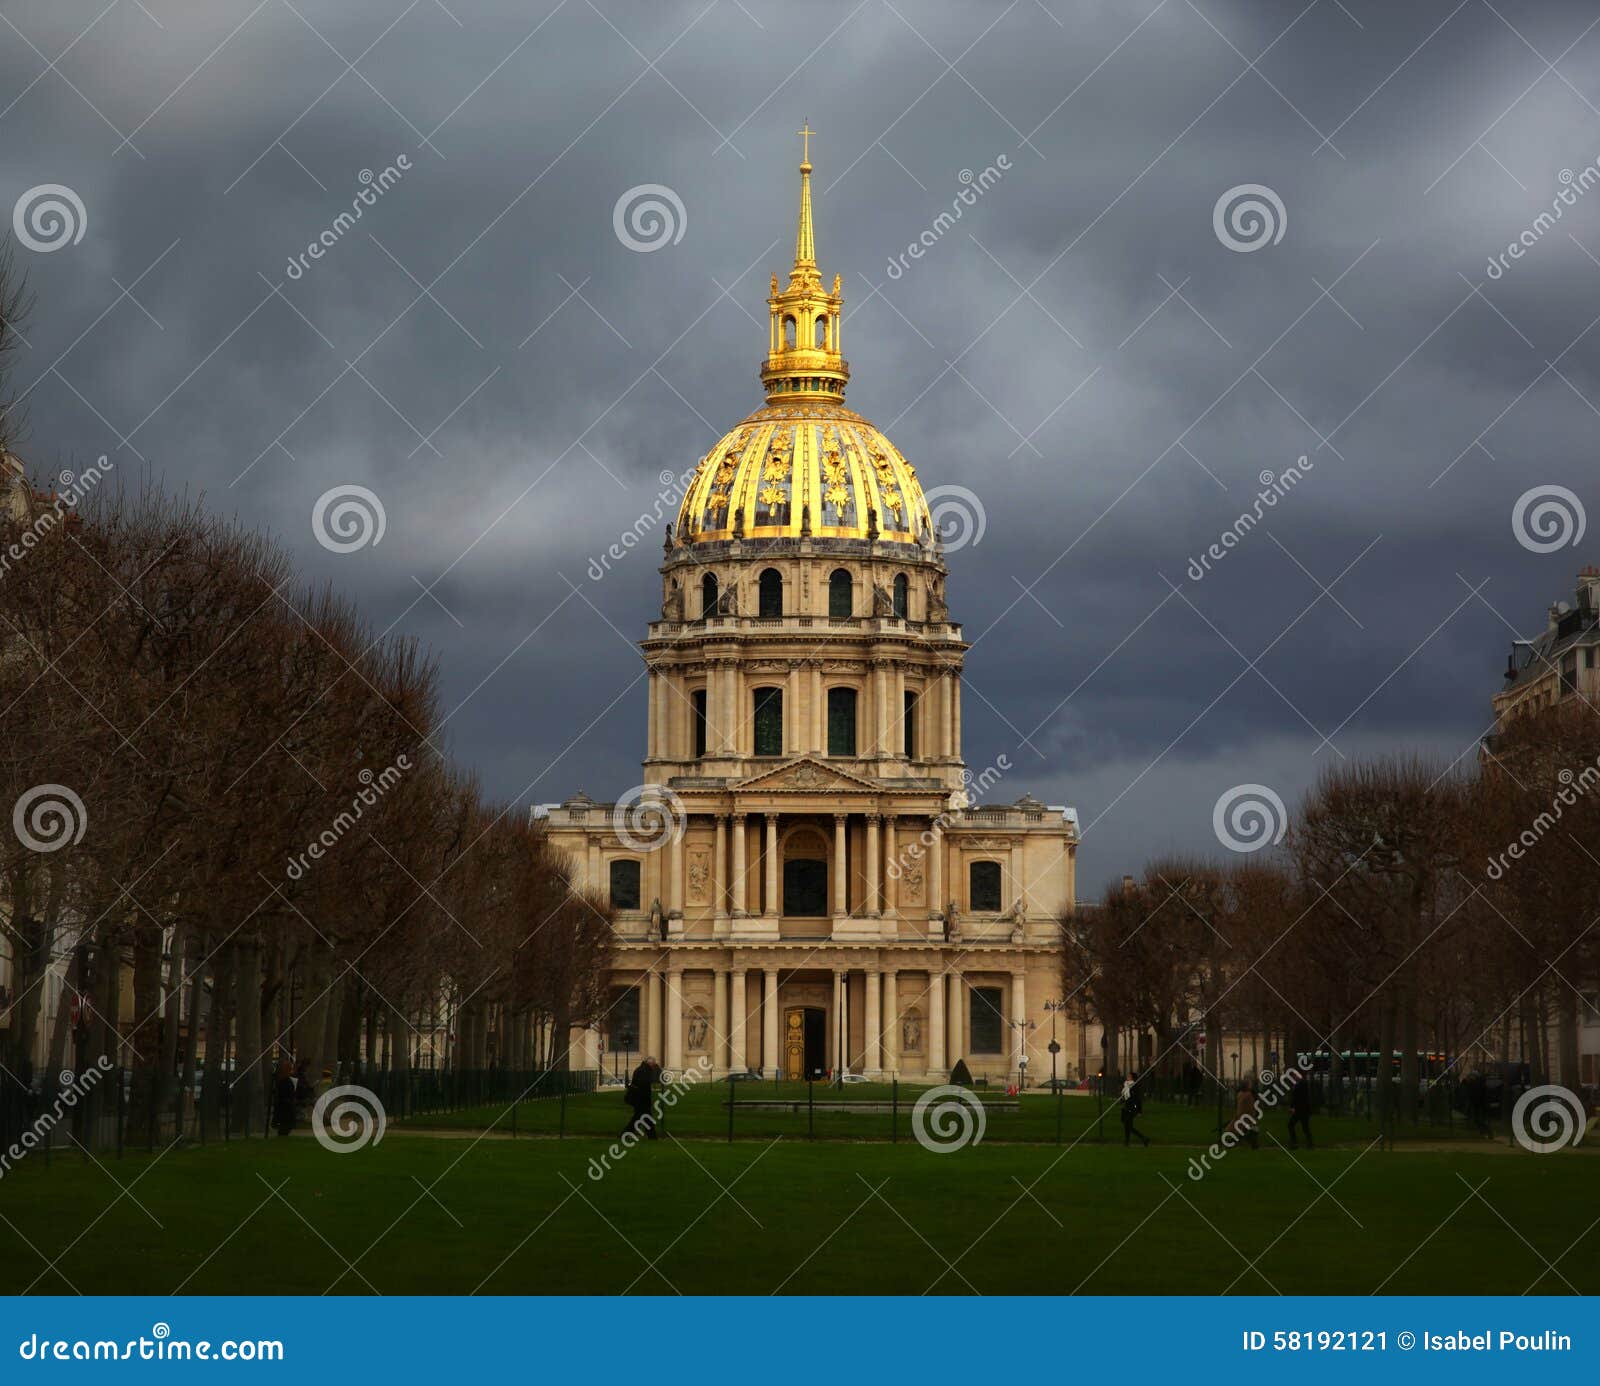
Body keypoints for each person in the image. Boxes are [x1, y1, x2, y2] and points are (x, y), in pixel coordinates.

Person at [623, 1056, 658, 1141]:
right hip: (641, 1099)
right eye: (653, 1065)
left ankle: (652, 1136)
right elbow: (643, 1086)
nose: (654, 1067)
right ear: (650, 1064)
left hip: (640, 1099)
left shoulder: (642, 1069)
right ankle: (652, 1137)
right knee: (643, 1118)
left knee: (640, 1118)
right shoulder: (644, 1071)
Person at [1119, 1071, 1149, 1147]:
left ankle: (1141, 1138)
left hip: (1132, 1108)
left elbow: (1137, 1098)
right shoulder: (1126, 1085)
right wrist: (1121, 1101)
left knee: (1128, 1126)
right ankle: (1139, 1139)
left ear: (1132, 1077)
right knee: (1127, 1125)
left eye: (1129, 1076)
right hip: (1126, 1107)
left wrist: (1139, 1110)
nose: (1127, 1076)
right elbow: (1125, 1097)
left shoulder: (1134, 1086)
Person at [1287, 1069, 1313, 1149]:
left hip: (1301, 1110)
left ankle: (1297, 1143)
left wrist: (1293, 1107)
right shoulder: (1299, 1084)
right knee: (1302, 1127)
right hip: (1301, 1109)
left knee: (1300, 1126)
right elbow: (1295, 1098)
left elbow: (1299, 1098)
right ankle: (1306, 1143)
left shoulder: (1302, 1084)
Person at [272, 1060, 297, 1137]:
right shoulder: (285, 1081)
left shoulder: (283, 1080)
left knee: (285, 1126)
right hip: (285, 1105)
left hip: (285, 1105)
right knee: (285, 1126)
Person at [1232, 1080, 1260, 1149]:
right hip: (1248, 1115)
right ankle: (1253, 1144)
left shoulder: (1240, 1093)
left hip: (1242, 1114)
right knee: (1254, 1129)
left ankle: (1235, 1141)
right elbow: (1250, 1105)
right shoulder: (1248, 1094)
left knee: (1245, 1130)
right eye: (1250, 1084)